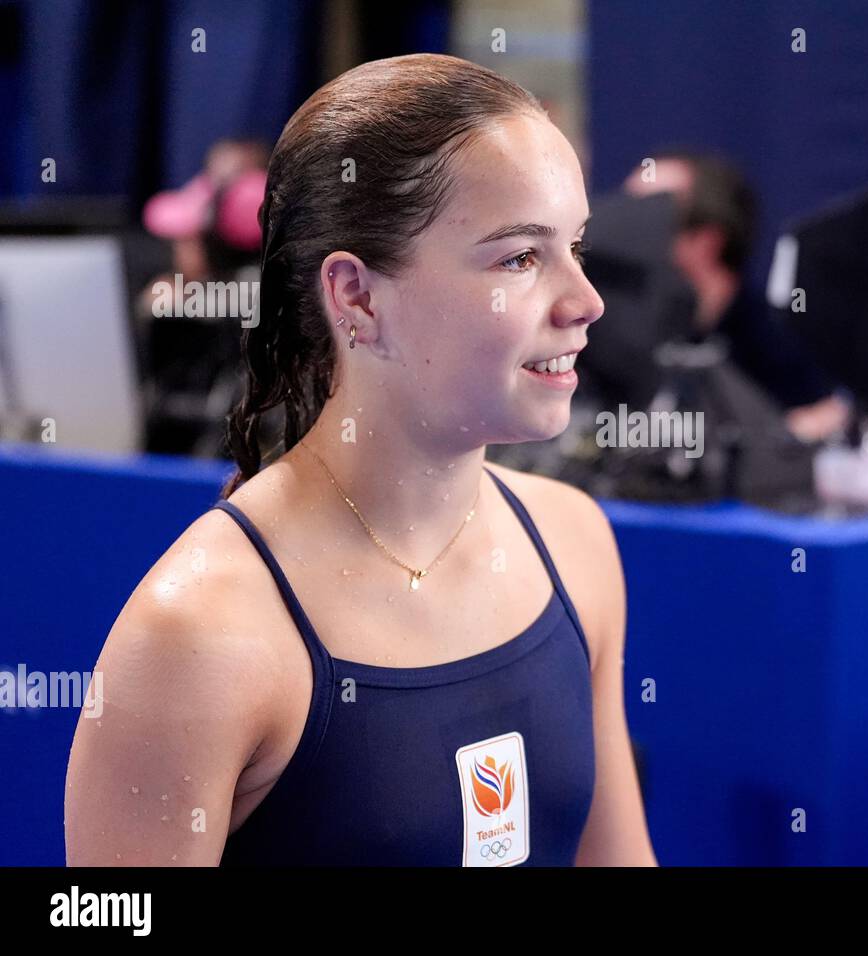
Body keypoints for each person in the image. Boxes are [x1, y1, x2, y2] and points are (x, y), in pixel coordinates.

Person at [65, 54, 657, 867]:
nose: (585, 301)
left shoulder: (576, 544)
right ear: (356, 297)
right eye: (520, 258)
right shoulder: (199, 634)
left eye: (576, 247)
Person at [622, 148, 853, 442]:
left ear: (705, 241)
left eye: (641, 220)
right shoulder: (608, 339)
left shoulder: (787, 351)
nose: (620, 236)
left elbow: (826, 423)